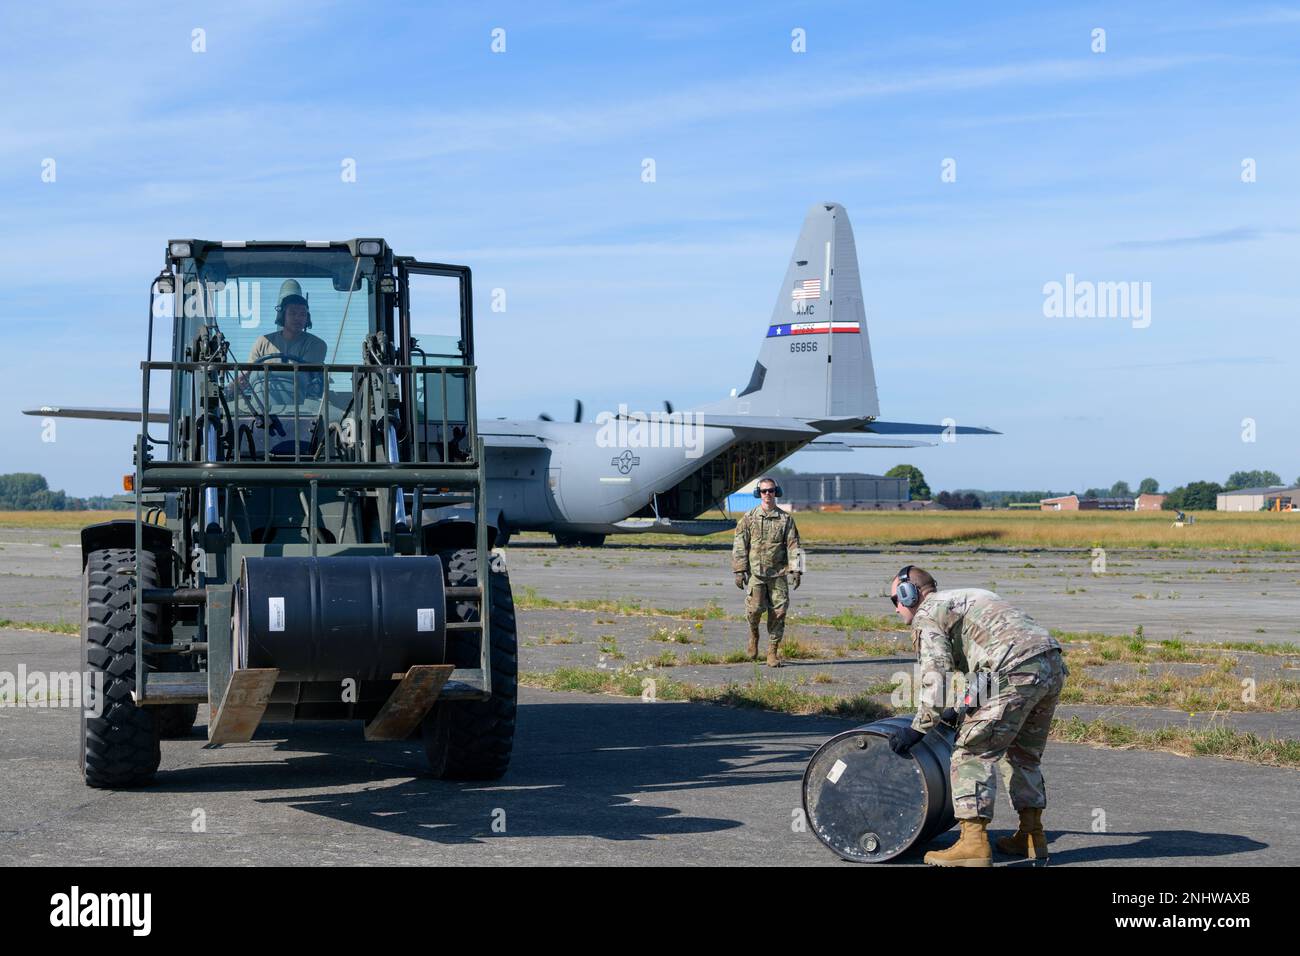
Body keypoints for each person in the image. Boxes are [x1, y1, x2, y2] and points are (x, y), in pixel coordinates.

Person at [886, 565, 1067, 867]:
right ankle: (1032, 836)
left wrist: (919, 728)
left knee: (971, 752)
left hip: (1012, 671)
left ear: (909, 594)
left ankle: (973, 844)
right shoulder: (966, 598)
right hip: (1049, 665)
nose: (896, 609)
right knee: (1022, 754)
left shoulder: (927, 615)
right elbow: (985, 670)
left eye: (895, 600)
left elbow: (937, 674)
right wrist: (959, 709)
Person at [731, 477, 803, 666]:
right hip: (756, 574)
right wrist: (739, 570)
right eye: (764, 491)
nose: (768, 494)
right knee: (754, 611)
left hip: (778, 574)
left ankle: (772, 653)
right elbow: (739, 545)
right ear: (759, 494)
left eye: (771, 490)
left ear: (776, 492)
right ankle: (754, 635)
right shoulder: (749, 518)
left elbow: (794, 544)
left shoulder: (786, 519)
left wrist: (797, 570)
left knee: (779, 613)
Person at [238, 280, 328, 402]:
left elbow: (304, 377)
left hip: (303, 406)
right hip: (261, 405)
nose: (298, 318)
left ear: (307, 318)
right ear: (282, 315)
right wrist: (235, 385)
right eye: (293, 313)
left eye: (303, 314)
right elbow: (247, 374)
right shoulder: (263, 342)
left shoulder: (316, 344)